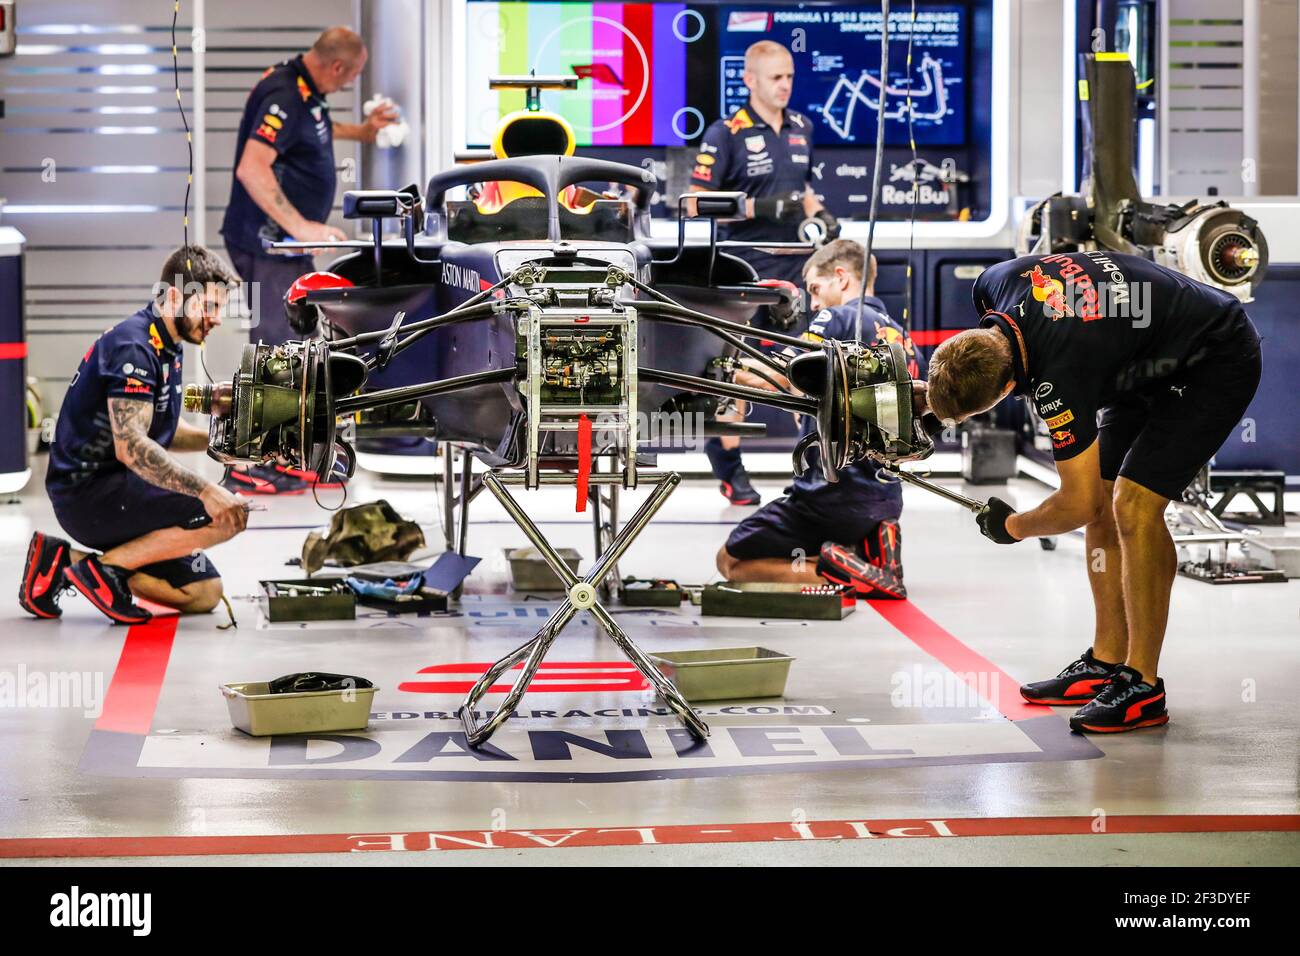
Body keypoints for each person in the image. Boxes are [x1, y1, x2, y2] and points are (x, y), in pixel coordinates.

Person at [925, 251, 1262, 733]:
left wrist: (1013, 526)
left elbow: (1076, 505)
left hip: (1214, 357)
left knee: (1132, 504)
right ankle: (1107, 661)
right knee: (1105, 495)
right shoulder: (993, 284)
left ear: (1004, 393)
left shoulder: (1059, 376)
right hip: (1141, 356)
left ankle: (1143, 685)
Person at [20, 246, 250, 624]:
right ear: (175, 296)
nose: (217, 319)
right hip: (89, 496)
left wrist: (225, 445)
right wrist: (207, 490)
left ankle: (66, 563)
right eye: (208, 306)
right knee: (223, 513)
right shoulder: (134, 347)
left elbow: (160, 429)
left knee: (203, 593)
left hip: (117, 489)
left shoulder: (166, 344)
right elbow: (132, 448)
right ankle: (105, 573)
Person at [220, 26, 397, 494]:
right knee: (275, 353)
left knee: (293, 350)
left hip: (287, 249)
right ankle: (256, 464)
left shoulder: (307, 91)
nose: (347, 85)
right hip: (268, 247)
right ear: (337, 67)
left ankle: (283, 452)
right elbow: (251, 168)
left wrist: (363, 132)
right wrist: (302, 229)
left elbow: (318, 131)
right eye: (351, 76)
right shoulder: (282, 95)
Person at [716, 239, 915, 598]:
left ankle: (839, 570)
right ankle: (873, 548)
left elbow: (777, 373)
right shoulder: (899, 335)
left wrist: (723, 365)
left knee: (730, 561)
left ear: (841, 278)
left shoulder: (836, 318)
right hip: (885, 496)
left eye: (815, 289)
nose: (814, 303)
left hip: (826, 498)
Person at [690, 40, 840, 506]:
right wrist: (757, 206)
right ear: (750, 80)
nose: (785, 86)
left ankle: (813, 468)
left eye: (790, 77)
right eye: (776, 77)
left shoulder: (802, 127)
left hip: (799, 271)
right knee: (737, 372)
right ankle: (730, 468)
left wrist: (823, 215)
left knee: (812, 372)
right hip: (744, 273)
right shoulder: (725, 132)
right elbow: (695, 202)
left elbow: (808, 189)